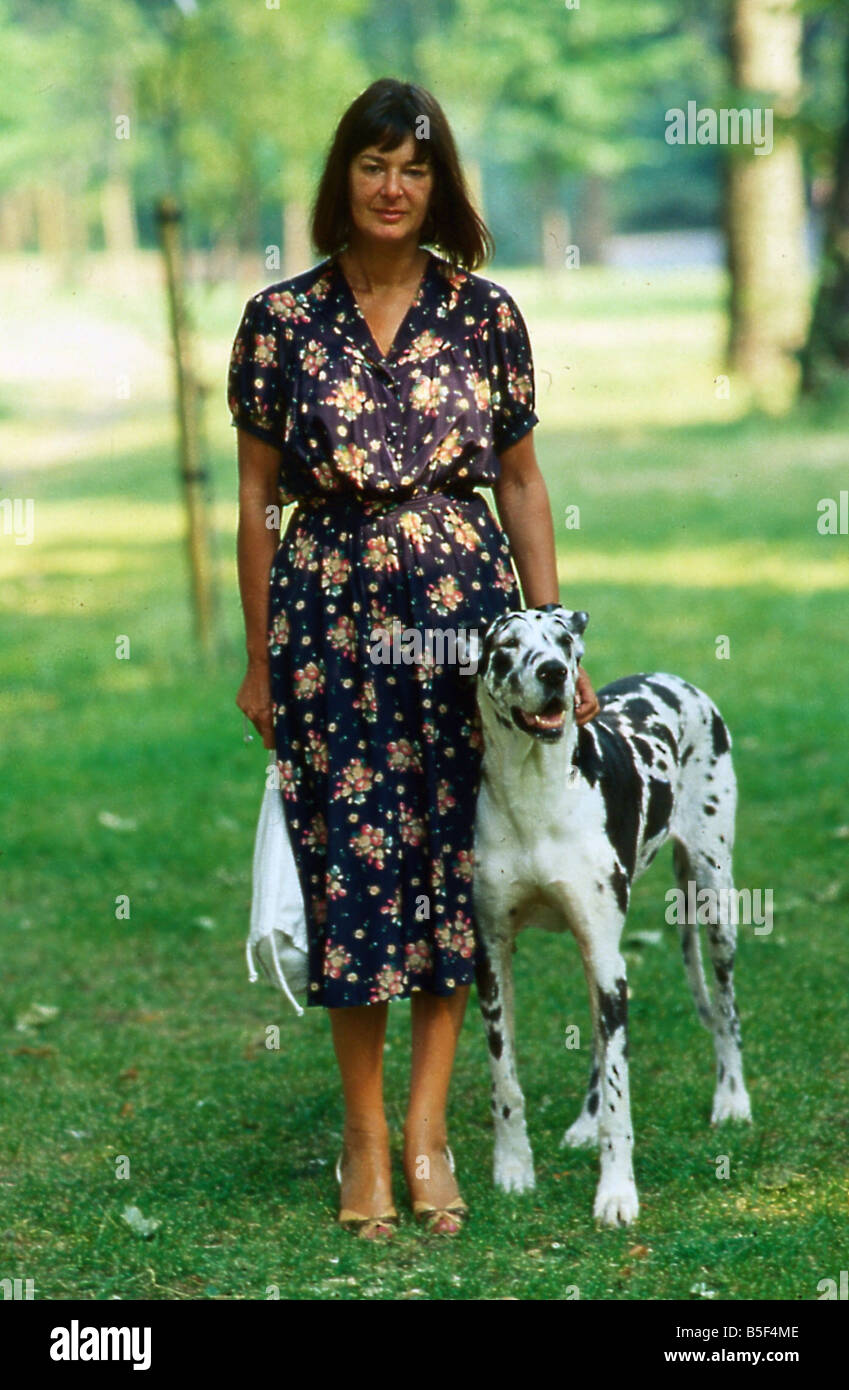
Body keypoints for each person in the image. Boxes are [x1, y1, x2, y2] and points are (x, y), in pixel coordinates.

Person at [229, 77, 599, 1239]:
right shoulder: (279, 320)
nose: (394, 187)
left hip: (464, 628)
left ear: (441, 185)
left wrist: (556, 633)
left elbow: (524, 483)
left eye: (417, 167)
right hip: (329, 629)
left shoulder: (485, 315)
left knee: (450, 871)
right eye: (374, 165)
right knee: (350, 881)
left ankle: (431, 1134)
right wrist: (257, 661)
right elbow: (252, 504)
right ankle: (363, 1139)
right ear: (343, 177)